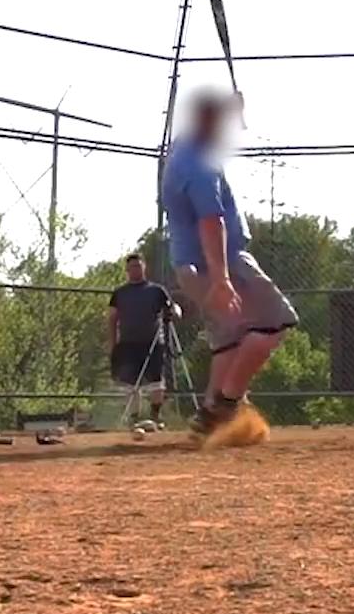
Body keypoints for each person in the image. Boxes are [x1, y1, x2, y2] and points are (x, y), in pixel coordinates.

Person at [160, 87, 296, 444]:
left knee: (230, 342)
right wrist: (222, 278)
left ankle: (209, 423)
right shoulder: (199, 165)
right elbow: (211, 221)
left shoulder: (184, 150)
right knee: (273, 325)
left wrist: (229, 111)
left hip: (191, 269)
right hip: (221, 262)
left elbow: (209, 131)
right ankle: (227, 403)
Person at [108, 252, 177, 426]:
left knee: (156, 382)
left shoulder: (156, 290)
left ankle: (155, 416)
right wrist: (112, 343)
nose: (135, 270)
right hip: (128, 343)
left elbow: (172, 308)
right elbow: (112, 318)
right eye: (131, 268)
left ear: (144, 267)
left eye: (138, 266)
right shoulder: (119, 293)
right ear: (126, 270)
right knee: (130, 384)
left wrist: (175, 312)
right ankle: (134, 419)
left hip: (153, 342)